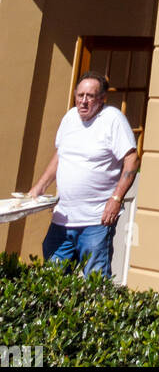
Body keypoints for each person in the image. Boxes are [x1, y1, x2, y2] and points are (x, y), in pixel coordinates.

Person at [28, 73, 138, 279]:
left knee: (95, 283)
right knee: (52, 279)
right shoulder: (70, 118)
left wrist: (116, 199)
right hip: (62, 218)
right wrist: (40, 186)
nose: (84, 101)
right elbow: (61, 155)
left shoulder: (112, 119)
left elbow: (131, 160)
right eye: (80, 95)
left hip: (96, 220)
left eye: (90, 96)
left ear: (102, 98)